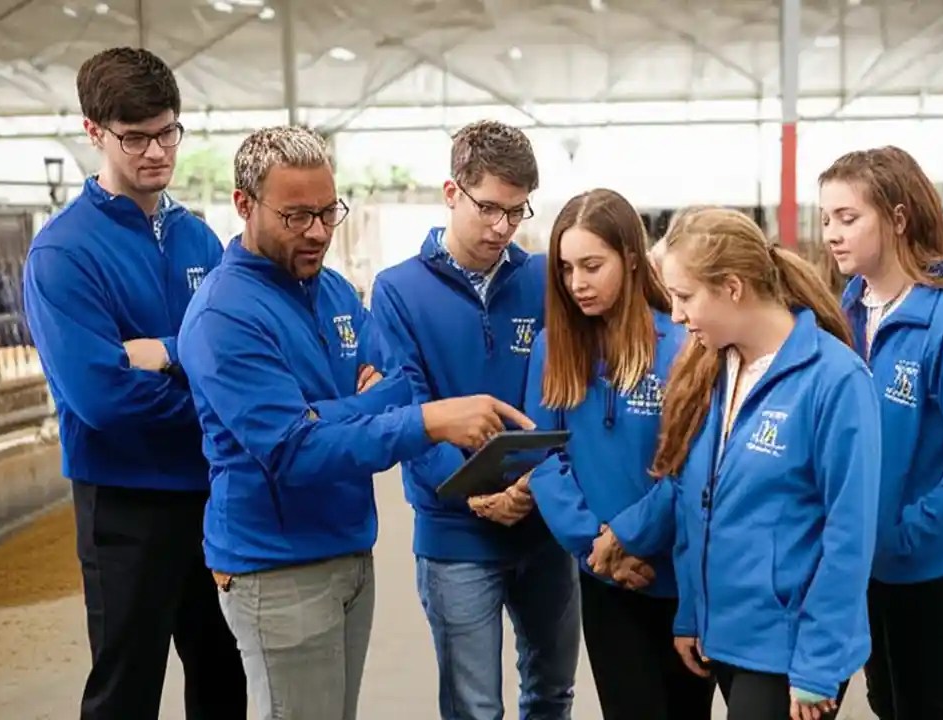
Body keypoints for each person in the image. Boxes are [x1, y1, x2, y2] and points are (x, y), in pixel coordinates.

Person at [175, 125, 536, 720]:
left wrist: (331, 414)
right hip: (277, 563)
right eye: (296, 216)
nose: (318, 231)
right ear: (244, 205)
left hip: (347, 549)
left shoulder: (333, 290)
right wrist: (421, 419)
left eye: (327, 212)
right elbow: (297, 452)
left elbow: (392, 385)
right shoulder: (226, 315)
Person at [21, 47, 246, 720]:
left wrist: (170, 351)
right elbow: (102, 398)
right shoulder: (64, 252)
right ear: (94, 132)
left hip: (212, 494)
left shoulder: (200, 240)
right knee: (126, 687)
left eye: (168, 131)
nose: (156, 151)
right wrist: (214, 397)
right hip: (126, 504)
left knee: (224, 675)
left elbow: (233, 353)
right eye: (135, 137)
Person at [369, 119, 580, 719]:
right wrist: (471, 496)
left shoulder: (543, 279)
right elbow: (404, 407)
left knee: (551, 695)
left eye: (517, 212)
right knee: (474, 707)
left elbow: (564, 387)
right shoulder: (398, 291)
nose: (502, 226)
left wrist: (533, 488)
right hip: (454, 533)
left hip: (544, 527)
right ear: (451, 191)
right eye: (488, 207)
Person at [650, 207, 881, 720]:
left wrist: (818, 665)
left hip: (790, 644)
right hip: (726, 633)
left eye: (684, 297)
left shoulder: (835, 380)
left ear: (732, 287)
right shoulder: (712, 367)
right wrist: (692, 612)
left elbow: (849, 535)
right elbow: (695, 500)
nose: (676, 315)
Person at [819, 146, 943, 720]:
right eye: (825, 218)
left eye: (848, 218)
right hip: (866, 556)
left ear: (898, 218)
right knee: (885, 699)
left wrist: (899, 541)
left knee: (922, 706)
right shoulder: (849, 306)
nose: (831, 233)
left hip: (929, 561)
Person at [522, 188, 716, 719]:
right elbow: (545, 457)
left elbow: (691, 468)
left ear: (631, 258)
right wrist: (597, 545)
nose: (577, 283)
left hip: (680, 576)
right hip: (603, 577)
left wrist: (628, 536)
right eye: (565, 269)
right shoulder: (552, 349)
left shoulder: (683, 345)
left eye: (591, 265)